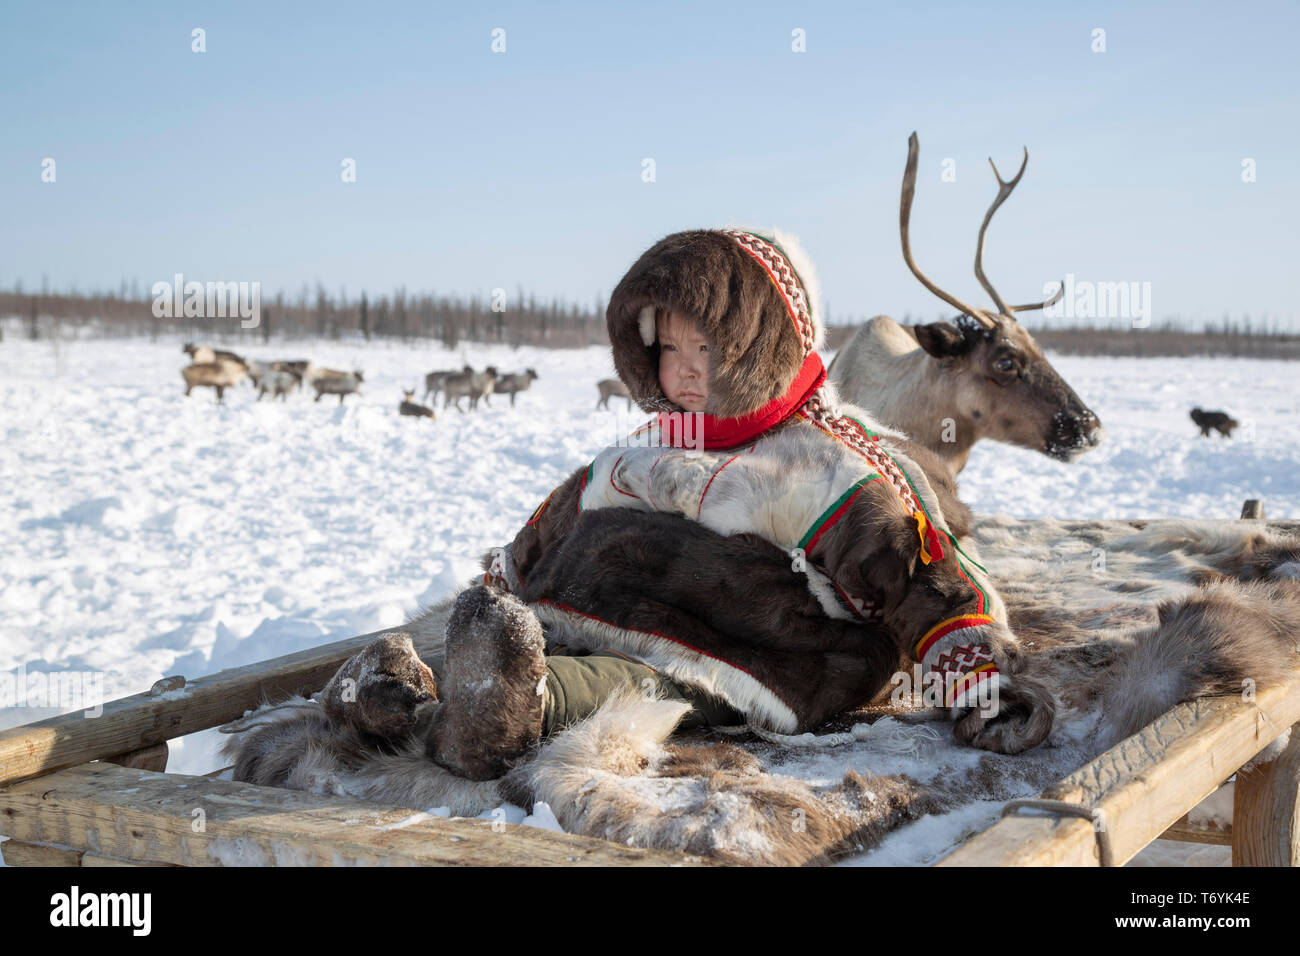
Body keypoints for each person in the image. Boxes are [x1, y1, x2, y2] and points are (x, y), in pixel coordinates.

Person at [344, 229, 1052, 782]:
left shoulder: (816, 460)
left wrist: (976, 688)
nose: (681, 368)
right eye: (667, 347)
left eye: (706, 346)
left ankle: (510, 710)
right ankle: (410, 691)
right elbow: (557, 519)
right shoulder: (651, 446)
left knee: (638, 685)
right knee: (534, 632)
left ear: (757, 348)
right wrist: (498, 589)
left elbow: (911, 570)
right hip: (608, 613)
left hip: (762, 649)